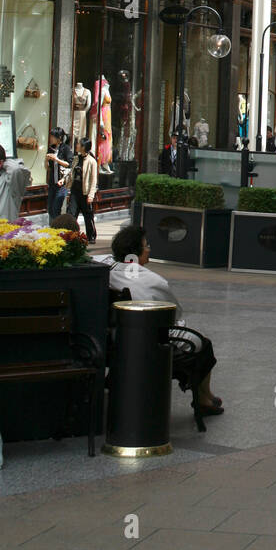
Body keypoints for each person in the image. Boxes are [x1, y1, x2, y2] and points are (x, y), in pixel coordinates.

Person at [104, 224, 223, 416]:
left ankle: (206, 396)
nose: (149, 248)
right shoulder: (152, 281)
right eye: (146, 245)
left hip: (121, 340)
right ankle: (203, 398)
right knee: (203, 344)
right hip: (151, 341)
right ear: (136, 252)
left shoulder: (109, 271)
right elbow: (174, 312)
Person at [68, 138, 98, 243]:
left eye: (79, 144)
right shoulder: (76, 159)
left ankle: (91, 236)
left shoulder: (92, 161)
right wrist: (65, 181)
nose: (77, 145)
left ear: (84, 147)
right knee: (71, 214)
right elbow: (71, 173)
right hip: (75, 191)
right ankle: (70, 235)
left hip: (85, 192)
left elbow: (94, 179)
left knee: (88, 216)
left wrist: (91, 195)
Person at [46, 127, 73, 220]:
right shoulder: (51, 148)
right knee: (50, 208)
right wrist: (46, 160)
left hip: (62, 184)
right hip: (52, 183)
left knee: (56, 208)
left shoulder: (66, 148)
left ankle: (56, 230)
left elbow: (69, 164)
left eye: (52, 136)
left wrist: (56, 159)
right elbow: (48, 168)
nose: (50, 138)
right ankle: (52, 228)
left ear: (59, 138)